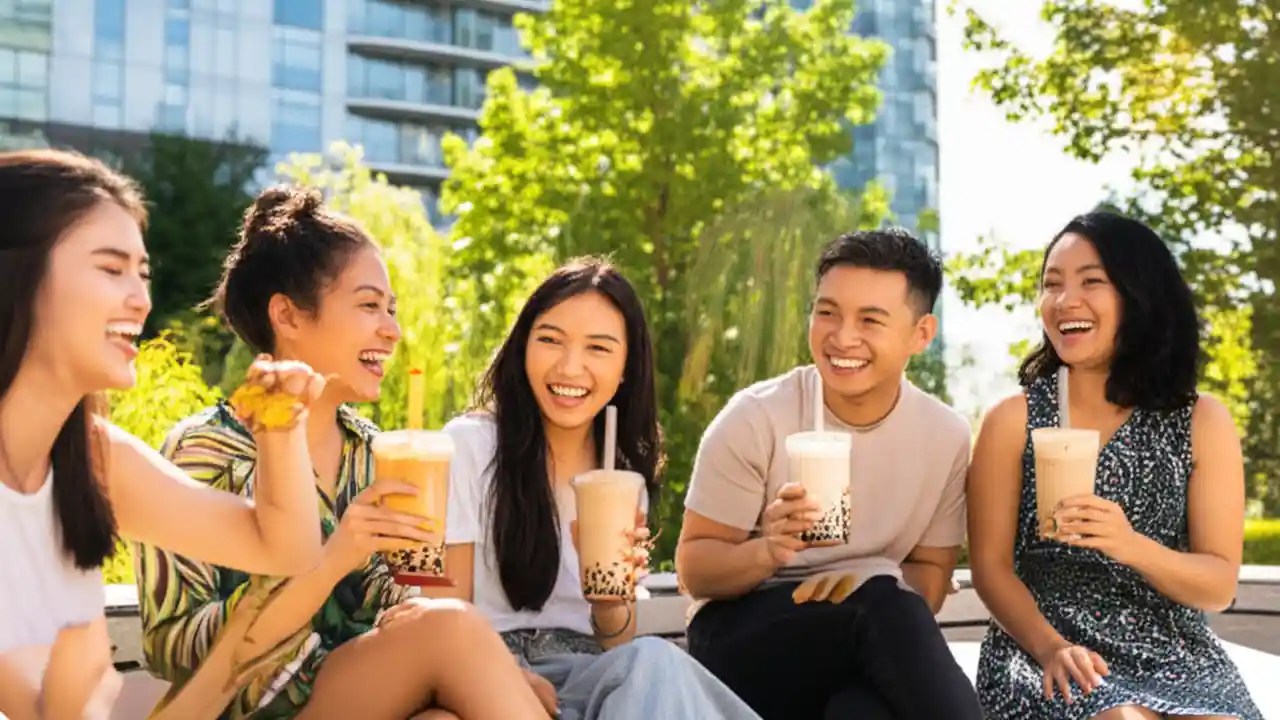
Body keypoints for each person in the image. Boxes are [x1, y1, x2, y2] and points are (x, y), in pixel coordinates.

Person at [135, 186, 548, 720]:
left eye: (392, 310)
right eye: (369, 305)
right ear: (287, 315)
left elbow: (384, 597)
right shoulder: (206, 450)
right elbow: (170, 646)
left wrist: (498, 671)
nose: (393, 331)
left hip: (358, 695)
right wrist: (329, 565)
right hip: (247, 706)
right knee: (451, 629)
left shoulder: (370, 451)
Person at [0, 150, 326, 720]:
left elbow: (285, 547)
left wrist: (280, 428)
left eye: (143, 274)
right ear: (17, 275)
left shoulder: (93, 461)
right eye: (110, 268)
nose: (142, 298)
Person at [427, 258, 761, 720]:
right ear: (523, 346)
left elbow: (614, 643)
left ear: (626, 367)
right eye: (550, 340)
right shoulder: (470, 446)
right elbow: (449, 611)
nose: (570, 367)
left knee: (653, 660)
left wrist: (610, 601)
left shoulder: (622, 479)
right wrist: (503, 677)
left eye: (598, 349)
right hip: (488, 669)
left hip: (594, 676)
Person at [675, 228, 984, 720]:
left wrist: (869, 577)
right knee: (883, 605)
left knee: (860, 711)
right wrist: (767, 551)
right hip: (741, 641)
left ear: (921, 334)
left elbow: (930, 575)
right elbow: (694, 570)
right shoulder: (757, 416)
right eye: (827, 312)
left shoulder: (944, 435)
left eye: (870, 320)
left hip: (866, 641)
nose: (842, 337)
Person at [968, 212, 1262, 720]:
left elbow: (1218, 585)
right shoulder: (1013, 419)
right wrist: (1050, 648)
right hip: (1046, 646)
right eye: (1052, 285)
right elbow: (990, 569)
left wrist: (1129, 545)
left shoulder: (1201, 421)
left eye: (1091, 282)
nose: (1065, 301)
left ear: (1138, 294)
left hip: (1175, 650)